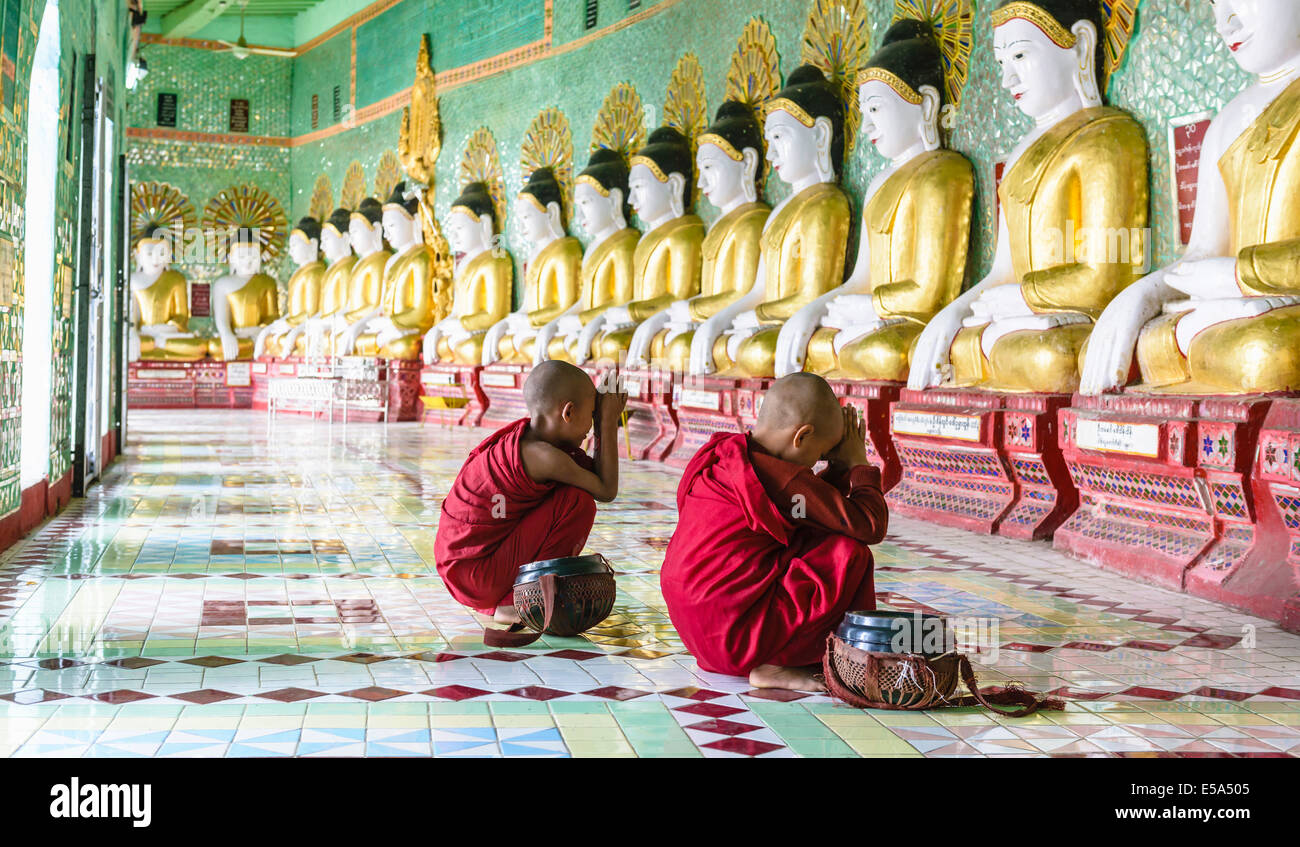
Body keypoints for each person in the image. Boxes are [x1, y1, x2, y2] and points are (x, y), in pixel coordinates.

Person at [661, 373, 888, 691]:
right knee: (850, 554)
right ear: (801, 437)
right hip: (738, 641)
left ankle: (776, 656)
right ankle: (778, 665)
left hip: (699, 634)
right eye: (820, 454)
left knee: (815, 538)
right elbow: (868, 526)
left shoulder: (728, 455)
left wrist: (837, 469)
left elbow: (813, 511)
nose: (815, 465)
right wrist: (860, 465)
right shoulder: (785, 479)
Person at [434, 360, 626, 623]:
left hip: (465, 569)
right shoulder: (544, 457)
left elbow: (596, 475)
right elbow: (605, 489)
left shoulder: (534, 439)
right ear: (568, 413)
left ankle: (502, 603)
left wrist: (603, 417)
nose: (590, 427)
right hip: (475, 572)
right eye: (591, 415)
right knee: (577, 502)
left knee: (567, 493)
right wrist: (607, 421)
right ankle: (523, 600)